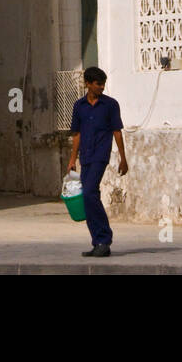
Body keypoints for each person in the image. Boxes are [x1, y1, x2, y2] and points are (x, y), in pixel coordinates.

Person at [67, 67, 127, 257]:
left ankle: (104, 239)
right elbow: (77, 134)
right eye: (98, 84)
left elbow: (117, 132)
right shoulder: (79, 106)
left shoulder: (110, 105)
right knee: (88, 196)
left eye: (103, 84)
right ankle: (98, 242)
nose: (101, 87)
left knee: (90, 191)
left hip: (100, 155)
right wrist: (72, 159)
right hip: (85, 156)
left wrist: (123, 159)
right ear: (88, 84)